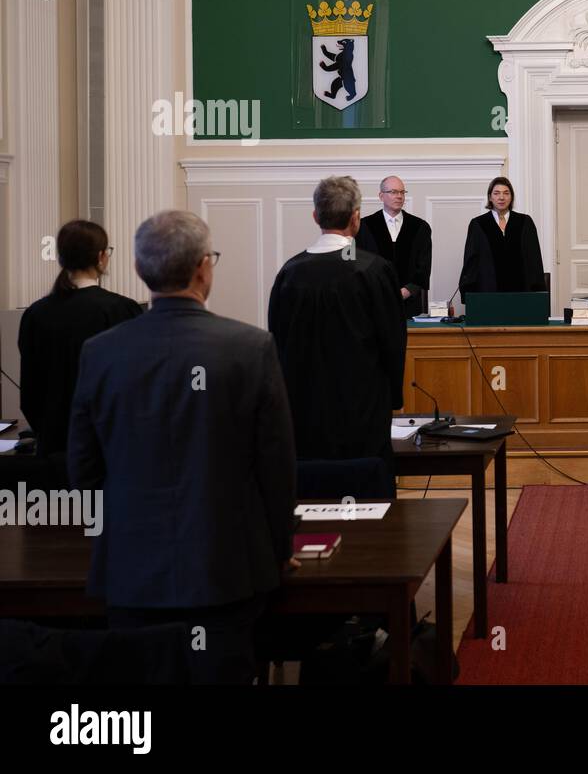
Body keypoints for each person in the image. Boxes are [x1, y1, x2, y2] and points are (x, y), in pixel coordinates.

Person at [67, 210, 296, 684]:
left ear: (138, 270)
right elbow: (277, 468)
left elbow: (83, 469)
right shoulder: (250, 348)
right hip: (226, 568)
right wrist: (277, 550)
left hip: (132, 569)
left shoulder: (101, 352)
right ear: (202, 268)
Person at [268, 176, 406, 477]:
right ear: (356, 218)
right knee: (369, 494)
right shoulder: (374, 270)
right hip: (363, 413)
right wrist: (394, 396)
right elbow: (393, 342)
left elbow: (277, 345)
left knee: (313, 498)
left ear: (316, 216)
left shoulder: (289, 274)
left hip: (303, 412)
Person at [15, 221, 140, 489]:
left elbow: (31, 389)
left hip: (53, 453)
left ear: (60, 258)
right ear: (101, 257)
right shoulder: (123, 309)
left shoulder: (35, 314)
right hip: (111, 452)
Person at [356, 175, 432, 318]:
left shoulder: (419, 227)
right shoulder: (364, 227)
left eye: (402, 192)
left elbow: (424, 266)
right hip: (374, 302)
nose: (399, 196)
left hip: (409, 303)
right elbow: (358, 264)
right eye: (393, 192)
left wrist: (406, 291)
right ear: (381, 196)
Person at [458, 176, 546, 296]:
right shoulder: (478, 224)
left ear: (511, 197)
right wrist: (468, 292)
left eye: (506, 193)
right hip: (488, 291)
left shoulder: (524, 222)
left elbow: (534, 259)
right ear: (490, 197)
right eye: (496, 193)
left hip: (521, 291)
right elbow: (471, 261)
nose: (501, 197)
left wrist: (538, 293)